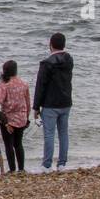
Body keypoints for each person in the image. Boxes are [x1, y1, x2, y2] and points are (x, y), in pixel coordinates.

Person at [33, 32, 73, 171]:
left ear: (50, 45)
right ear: (64, 44)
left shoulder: (46, 64)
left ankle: (47, 164)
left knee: (49, 134)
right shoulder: (69, 60)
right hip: (66, 102)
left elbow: (40, 86)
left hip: (50, 104)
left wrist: (36, 107)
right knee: (63, 133)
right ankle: (62, 163)